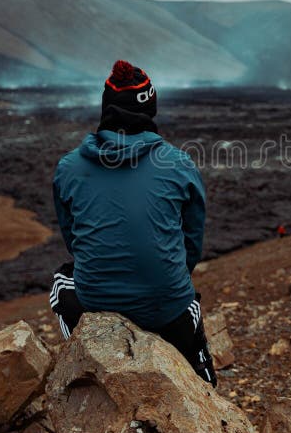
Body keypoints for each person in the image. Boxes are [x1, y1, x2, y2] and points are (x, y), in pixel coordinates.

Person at [50, 60, 216, 386]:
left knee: (61, 282)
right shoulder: (179, 164)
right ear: (150, 110)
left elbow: (74, 242)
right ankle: (204, 384)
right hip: (167, 306)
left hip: (98, 303)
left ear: (106, 109)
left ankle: (82, 360)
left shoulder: (68, 168)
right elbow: (191, 245)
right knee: (188, 320)